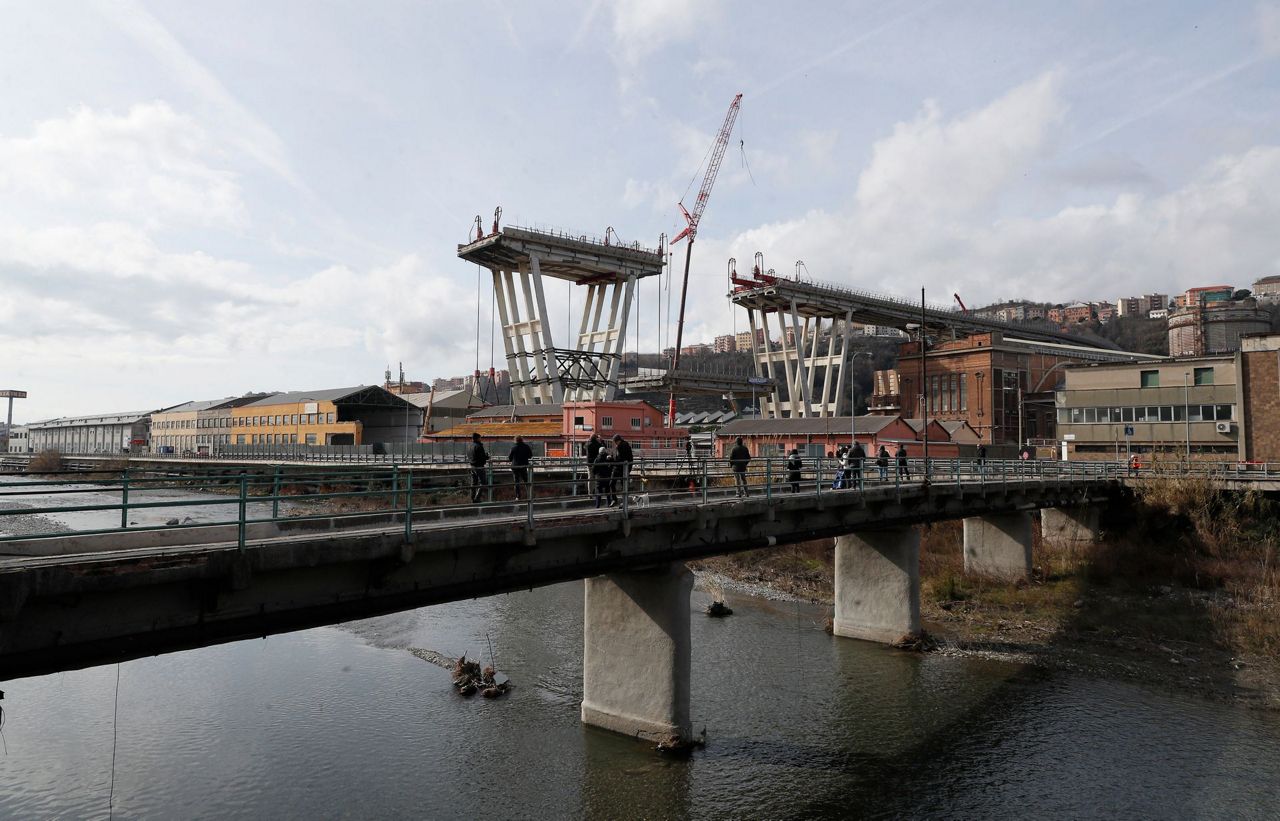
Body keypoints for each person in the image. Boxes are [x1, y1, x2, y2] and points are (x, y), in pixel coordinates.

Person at [612, 434, 634, 506]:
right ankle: (623, 502)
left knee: (613, 483)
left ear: (618, 441)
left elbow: (620, 458)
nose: (615, 444)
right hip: (621, 468)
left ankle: (617, 500)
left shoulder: (622, 446)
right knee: (623, 485)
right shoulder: (623, 445)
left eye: (615, 442)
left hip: (621, 468)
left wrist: (612, 460)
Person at [508, 435, 532, 500]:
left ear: (515, 440)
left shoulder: (513, 448)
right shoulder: (526, 447)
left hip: (515, 466)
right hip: (523, 466)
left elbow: (510, 458)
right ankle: (529, 495)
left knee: (516, 482)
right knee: (526, 481)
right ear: (522, 440)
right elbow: (530, 456)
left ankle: (518, 496)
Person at [593, 441, 615, 508]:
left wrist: (595, 475)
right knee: (607, 491)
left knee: (599, 492)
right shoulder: (607, 458)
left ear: (599, 452)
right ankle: (608, 504)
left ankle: (597, 506)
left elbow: (594, 469)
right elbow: (613, 464)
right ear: (605, 451)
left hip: (599, 479)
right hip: (607, 478)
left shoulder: (597, 459)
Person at [468, 432, 489, 502]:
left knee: (474, 483)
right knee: (483, 482)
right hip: (479, 466)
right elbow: (482, 457)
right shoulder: (479, 446)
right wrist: (487, 457)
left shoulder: (470, 446)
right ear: (477, 438)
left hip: (472, 466)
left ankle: (472, 498)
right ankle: (477, 498)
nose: (481, 439)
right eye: (480, 438)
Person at [584, 433, 602, 498]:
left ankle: (590, 493)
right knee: (597, 478)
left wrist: (589, 440)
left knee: (590, 478)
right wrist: (600, 440)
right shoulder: (597, 444)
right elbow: (602, 448)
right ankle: (596, 492)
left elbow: (584, 447)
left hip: (589, 463)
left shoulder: (588, 444)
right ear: (596, 438)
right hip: (596, 463)